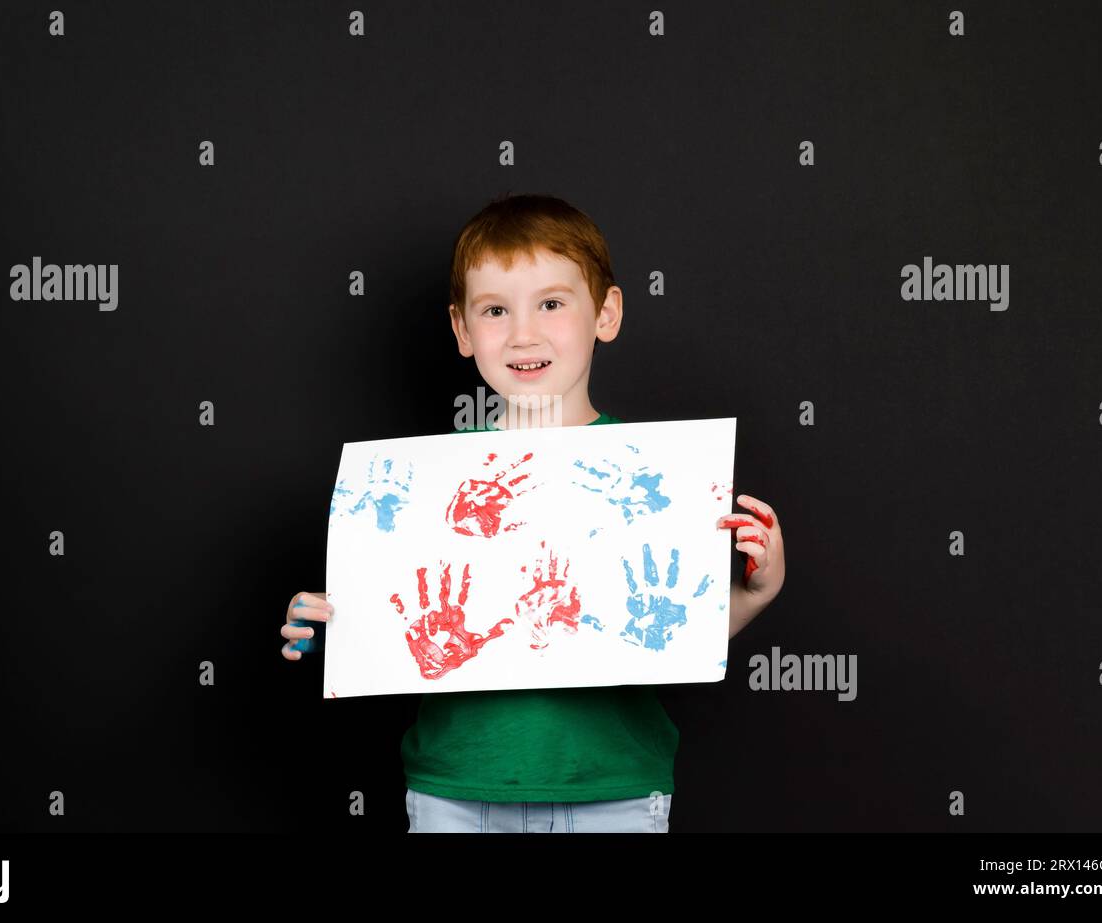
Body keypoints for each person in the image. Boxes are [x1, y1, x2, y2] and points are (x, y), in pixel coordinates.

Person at [281, 193, 786, 832]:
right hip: (456, 791)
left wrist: (755, 591)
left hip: (615, 790)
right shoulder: (416, 488)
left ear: (606, 313)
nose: (523, 334)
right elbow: (385, 622)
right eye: (495, 310)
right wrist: (334, 624)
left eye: (551, 303)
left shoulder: (655, 480)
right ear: (463, 330)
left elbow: (682, 638)